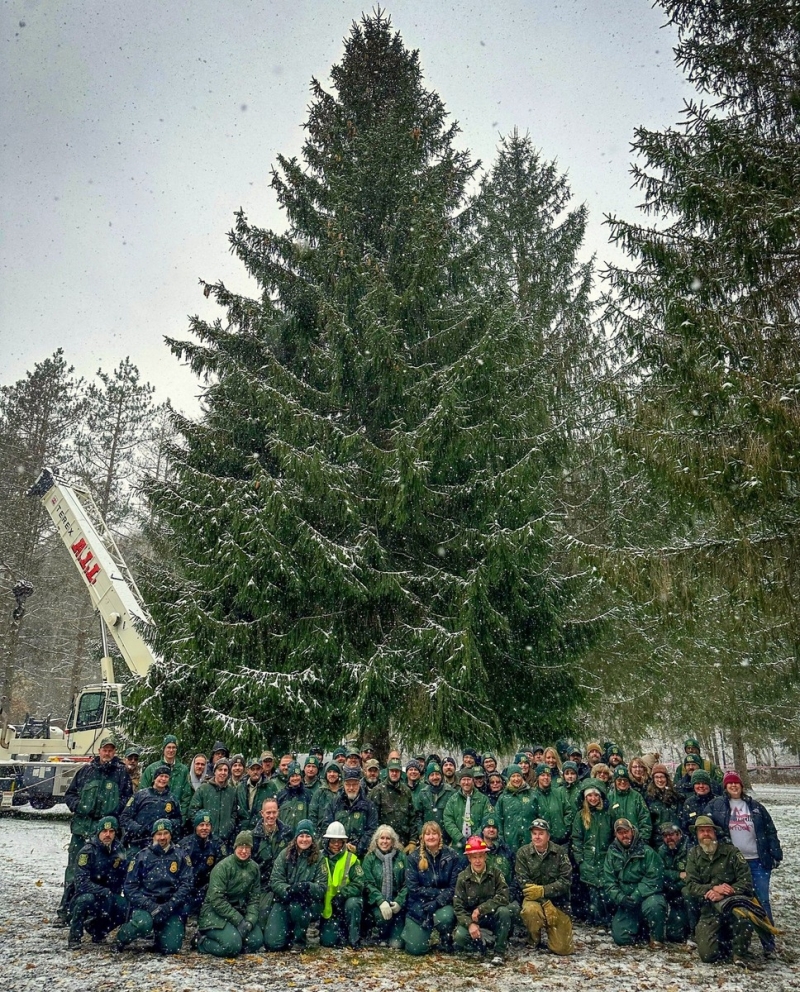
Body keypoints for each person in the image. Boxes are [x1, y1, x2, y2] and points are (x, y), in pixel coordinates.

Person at [705, 771, 783, 955]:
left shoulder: (755, 807)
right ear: (725, 787)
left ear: (741, 786)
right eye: (730, 784)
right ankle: (735, 943)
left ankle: (768, 944)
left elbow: (770, 831)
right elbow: (707, 826)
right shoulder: (717, 806)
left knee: (762, 901)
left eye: (736, 783)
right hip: (733, 863)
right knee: (735, 901)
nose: (733, 786)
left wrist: (775, 852)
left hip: (757, 860)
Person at [58, 737, 132, 923]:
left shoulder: (121, 773)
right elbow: (70, 795)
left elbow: (127, 799)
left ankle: (98, 910)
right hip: (83, 828)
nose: (107, 753)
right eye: (105, 750)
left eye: (111, 750)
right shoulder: (85, 771)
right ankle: (66, 909)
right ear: (99, 751)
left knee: (106, 871)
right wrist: (79, 806)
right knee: (75, 869)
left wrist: (114, 810)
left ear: (114, 752)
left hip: (107, 831)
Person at [683, 815, 755, 965]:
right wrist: (712, 889)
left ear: (715, 832)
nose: (706, 834)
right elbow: (691, 884)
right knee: (708, 956)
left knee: (745, 917)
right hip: (709, 909)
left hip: (734, 904)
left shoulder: (731, 852)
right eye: (702, 831)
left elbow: (747, 881)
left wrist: (729, 890)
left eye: (708, 830)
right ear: (697, 835)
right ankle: (722, 940)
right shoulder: (693, 854)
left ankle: (739, 954)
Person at [115, 818, 193, 954]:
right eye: (158, 834)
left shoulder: (181, 856)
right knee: (142, 924)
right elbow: (130, 887)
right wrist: (150, 906)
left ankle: (160, 938)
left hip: (170, 907)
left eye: (165, 833)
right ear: (153, 836)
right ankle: (122, 938)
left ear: (171, 835)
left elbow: (187, 884)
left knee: (172, 947)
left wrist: (170, 905)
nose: (162, 837)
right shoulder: (141, 856)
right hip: (146, 905)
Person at [196, 829, 262, 956]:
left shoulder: (254, 868)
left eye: (247, 847)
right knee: (231, 946)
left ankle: (234, 937)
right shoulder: (222, 867)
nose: (244, 851)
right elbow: (217, 900)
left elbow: (254, 898)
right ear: (234, 847)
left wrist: (249, 921)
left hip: (239, 911)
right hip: (214, 913)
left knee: (256, 941)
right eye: (241, 847)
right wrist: (238, 920)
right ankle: (202, 941)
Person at [264, 819, 327, 953]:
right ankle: (288, 933)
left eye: (308, 836)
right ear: (296, 837)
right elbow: (275, 880)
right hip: (284, 900)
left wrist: (307, 887)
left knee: (298, 908)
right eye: (301, 836)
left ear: (312, 838)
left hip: (308, 903)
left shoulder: (319, 858)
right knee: (273, 944)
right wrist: (288, 890)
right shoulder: (284, 854)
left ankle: (299, 941)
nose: (304, 839)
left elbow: (322, 887)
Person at [603, 818, 667, 947]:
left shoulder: (647, 851)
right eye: (620, 833)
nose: (624, 835)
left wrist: (637, 894)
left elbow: (654, 878)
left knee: (655, 905)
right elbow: (609, 882)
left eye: (626, 831)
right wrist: (621, 898)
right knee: (621, 939)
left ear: (632, 831)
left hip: (647, 896)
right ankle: (639, 930)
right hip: (626, 900)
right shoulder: (612, 853)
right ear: (616, 835)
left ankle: (656, 937)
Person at [402, 820, 462, 956]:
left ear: (440, 836)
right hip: (419, 905)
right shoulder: (413, 858)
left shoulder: (452, 856)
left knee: (446, 917)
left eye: (434, 833)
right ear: (422, 837)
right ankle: (419, 934)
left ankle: (445, 938)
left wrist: (438, 901)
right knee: (415, 950)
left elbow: (454, 888)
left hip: (443, 904)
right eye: (427, 834)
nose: (431, 837)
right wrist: (436, 894)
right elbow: (413, 889)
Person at [67, 816, 128, 949]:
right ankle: (75, 936)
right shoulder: (88, 851)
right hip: (89, 893)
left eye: (111, 831)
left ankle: (98, 931)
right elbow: (81, 882)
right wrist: (103, 892)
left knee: (126, 907)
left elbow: (124, 874)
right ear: (98, 832)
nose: (108, 835)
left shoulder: (119, 850)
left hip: (110, 894)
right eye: (104, 831)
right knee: (85, 900)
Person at [516, 817, 573, 955]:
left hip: (558, 901)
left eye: (541, 833)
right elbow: (523, 882)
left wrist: (544, 891)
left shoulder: (560, 852)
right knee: (530, 911)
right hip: (533, 900)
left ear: (548, 836)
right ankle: (533, 938)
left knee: (563, 949)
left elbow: (566, 881)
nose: (537, 837)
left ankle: (552, 933)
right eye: (534, 833)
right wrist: (544, 902)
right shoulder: (523, 853)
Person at [453, 835, 511, 965]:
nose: (477, 861)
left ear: (485, 856)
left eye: (480, 856)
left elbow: (504, 896)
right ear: (469, 858)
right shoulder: (462, 878)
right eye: (474, 857)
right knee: (459, 936)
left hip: (491, 916)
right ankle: (479, 947)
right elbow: (458, 907)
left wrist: (481, 909)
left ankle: (499, 951)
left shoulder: (495, 873)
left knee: (504, 912)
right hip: (473, 920)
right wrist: (469, 924)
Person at [570, 781, 613, 925]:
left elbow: (613, 837)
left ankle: (608, 919)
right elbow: (576, 839)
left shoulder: (608, 814)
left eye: (596, 795)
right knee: (592, 891)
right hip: (588, 859)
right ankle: (595, 918)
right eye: (590, 795)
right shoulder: (581, 816)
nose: (593, 798)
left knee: (606, 891)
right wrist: (580, 860)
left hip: (605, 858)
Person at [319, 821, 366, 948]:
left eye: (339, 841)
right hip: (326, 906)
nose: (336, 844)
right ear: (327, 841)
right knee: (328, 942)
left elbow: (359, 883)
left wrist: (342, 895)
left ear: (344, 842)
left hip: (344, 903)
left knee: (354, 903)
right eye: (333, 841)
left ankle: (353, 938)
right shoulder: (318, 857)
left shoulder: (351, 859)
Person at [362, 825, 408, 947]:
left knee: (396, 944)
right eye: (382, 838)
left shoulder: (401, 857)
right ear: (376, 840)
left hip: (397, 905)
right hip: (377, 904)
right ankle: (380, 933)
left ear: (393, 841)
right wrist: (380, 901)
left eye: (388, 838)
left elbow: (409, 882)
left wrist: (399, 901)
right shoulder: (370, 858)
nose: (385, 841)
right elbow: (367, 883)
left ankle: (393, 933)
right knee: (381, 916)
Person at [251, 797, 293, 929]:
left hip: (283, 882)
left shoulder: (287, 834)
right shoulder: (254, 837)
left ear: (278, 812)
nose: (271, 816)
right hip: (263, 885)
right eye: (268, 813)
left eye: (274, 812)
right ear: (262, 813)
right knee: (262, 916)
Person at [121, 764, 183, 851]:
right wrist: (139, 829)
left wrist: (168, 825)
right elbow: (125, 817)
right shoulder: (140, 795)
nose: (163, 779)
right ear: (154, 778)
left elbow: (179, 820)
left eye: (166, 776)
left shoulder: (173, 799)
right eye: (161, 776)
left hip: (163, 844)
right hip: (139, 842)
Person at [177, 809, 222, 919]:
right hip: (188, 889)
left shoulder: (217, 843)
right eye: (201, 825)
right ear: (196, 827)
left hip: (208, 888)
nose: (205, 828)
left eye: (207, 825)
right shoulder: (185, 845)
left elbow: (221, 867)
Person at [324, 767, 378, 857]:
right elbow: (326, 826)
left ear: (359, 784)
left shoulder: (368, 805)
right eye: (348, 784)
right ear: (343, 785)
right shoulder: (334, 804)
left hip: (361, 855)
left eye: (354, 784)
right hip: (336, 853)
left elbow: (372, 830)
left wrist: (358, 847)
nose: (351, 788)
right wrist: (338, 845)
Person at [190, 758, 239, 853]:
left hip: (225, 840)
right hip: (204, 840)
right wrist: (203, 828)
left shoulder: (232, 792)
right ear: (215, 772)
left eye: (225, 770)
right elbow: (193, 811)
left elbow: (234, 813)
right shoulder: (204, 789)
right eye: (220, 770)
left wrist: (229, 827)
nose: (223, 773)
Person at [656, 821, 694, 942]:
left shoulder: (690, 849)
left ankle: (694, 928)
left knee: (687, 893)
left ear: (679, 834)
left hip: (685, 892)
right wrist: (677, 875)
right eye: (665, 836)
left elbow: (691, 876)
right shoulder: (662, 850)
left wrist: (675, 884)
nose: (668, 838)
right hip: (670, 891)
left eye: (671, 834)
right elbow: (659, 872)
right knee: (674, 936)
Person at [140, 735, 192, 813]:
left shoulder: (183, 770)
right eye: (168, 747)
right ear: (163, 749)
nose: (171, 750)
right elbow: (142, 792)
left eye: (174, 747)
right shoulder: (152, 768)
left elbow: (186, 797)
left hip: (174, 816)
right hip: (153, 814)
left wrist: (181, 816)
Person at [372, 758, 416, 849]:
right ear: (388, 771)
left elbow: (413, 818)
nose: (394, 773)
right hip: (384, 844)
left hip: (404, 844)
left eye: (397, 771)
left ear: (400, 772)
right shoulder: (378, 791)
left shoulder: (406, 791)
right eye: (392, 771)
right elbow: (373, 821)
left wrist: (413, 841)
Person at [444, 767, 490, 852]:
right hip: (458, 845)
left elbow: (487, 820)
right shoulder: (453, 800)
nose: (466, 782)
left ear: (473, 781)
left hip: (478, 844)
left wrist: (475, 838)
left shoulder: (483, 800)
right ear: (459, 782)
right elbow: (448, 820)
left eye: (468, 779)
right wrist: (459, 838)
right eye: (463, 780)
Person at [532, 764, 573, 846]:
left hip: (561, 841)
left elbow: (568, 811)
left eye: (548, 775)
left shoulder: (559, 793)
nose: (546, 778)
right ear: (538, 777)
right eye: (543, 775)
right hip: (542, 842)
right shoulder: (533, 795)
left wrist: (565, 829)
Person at [608, 766, 651, 842]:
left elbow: (645, 820)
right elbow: (607, 823)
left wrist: (641, 840)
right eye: (619, 780)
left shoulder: (637, 797)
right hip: (616, 844)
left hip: (636, 842)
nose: (622, 782)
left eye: (625, 780)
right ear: (615, 781)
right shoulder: (609, 797)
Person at [236, 756, 278, 831]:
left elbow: (275, 808)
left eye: (258, 769)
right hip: (242, 829)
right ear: (248, 770)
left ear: (262, 770)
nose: (255, 772)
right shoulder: (240, 787)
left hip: (262, 829)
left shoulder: (270, 786)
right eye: (252, 769)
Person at [415, 762, 453, 836]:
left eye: (437, 774)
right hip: (429, 837)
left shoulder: (451, 792)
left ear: (441, 776)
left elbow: (455, 817)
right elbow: (418, 817)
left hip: (447, 837)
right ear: (428, 777)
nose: (435, 777)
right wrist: (421, 834)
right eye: (432, 775)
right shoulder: (422, 793)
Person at [645, 763, 685, 835]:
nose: (660, 780)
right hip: (658, 839)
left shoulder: (676, 796)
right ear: (653, 779)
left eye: (662, 777)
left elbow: (681, 819)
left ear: (667, 778)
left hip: (676, 836)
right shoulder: (649, 798)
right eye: (657, 777)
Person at [276, 761, 314, 833]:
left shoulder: (308, 794)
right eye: (292, 776)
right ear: (288, 778)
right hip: (285, 835)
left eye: (297, 775)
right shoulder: (281, 795)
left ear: (301, 777)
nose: (295, 778)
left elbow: (312, 816)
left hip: (302, 836)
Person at [680, 769, 717, 835]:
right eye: (697, 783)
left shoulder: (718, 801)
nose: (701, 786)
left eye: (704, 783)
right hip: (696, 841)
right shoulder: (689, 803)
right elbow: (685, 827)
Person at [309, 761, 343, 831]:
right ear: (326, 774)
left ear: (339, 774)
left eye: (335, 772)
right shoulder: (319, 793)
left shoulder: (344, 792)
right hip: (323, 833)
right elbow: (312, 815)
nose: (332, 774)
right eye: (329, 772)